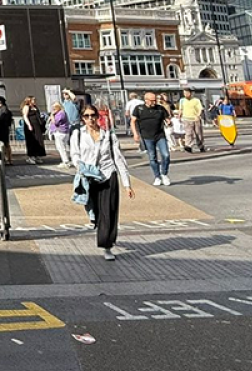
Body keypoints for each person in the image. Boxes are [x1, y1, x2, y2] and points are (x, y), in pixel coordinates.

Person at [70, 104, 135, 261]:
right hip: (89, 177)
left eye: (93, 115)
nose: (90, 119)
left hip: (107, 175)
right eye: (86, 116)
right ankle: (98, 224)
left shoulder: (108, 136)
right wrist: (82, 168)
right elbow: (75, 155)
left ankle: (106, 245)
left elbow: (119, 159)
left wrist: (127, 184)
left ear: (98, 117)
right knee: (96, 211)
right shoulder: (78, 135)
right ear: (82, 118)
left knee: (109, 212)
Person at [131, 92, 172, 186]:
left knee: (166, 155)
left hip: (160, 135)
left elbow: (167, 118)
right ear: (146, 100)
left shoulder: (160, 108)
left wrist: (168, 122)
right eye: (152, 100)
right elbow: (133, 121)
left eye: (155, 100)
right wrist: (135, 134)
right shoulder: (139, 109)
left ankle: (164, 173)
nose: (154, 102)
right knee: (152, 157)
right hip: (147, 136)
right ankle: (157, 176)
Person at [20, 96, 47, 164]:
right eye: (33, 100)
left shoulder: (35, 107)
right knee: (31, 141)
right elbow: (25, 116)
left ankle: (37, 155)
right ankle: (31, 157)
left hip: (37, 126)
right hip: (31, 125)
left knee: (38, 140)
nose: (35, 101)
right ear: (29, 101)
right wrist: (29, 125)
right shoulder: (26, 107)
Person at [179, 88, 205, 153]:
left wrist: (198, 116)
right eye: (184, 93)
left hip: (195, 119)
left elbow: (200, 109)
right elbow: (181, 109)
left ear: (190, 93)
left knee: (198, 133)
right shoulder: (182, 100)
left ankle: (201, 146)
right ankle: (188, 146)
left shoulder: (196, 100)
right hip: (186, 118)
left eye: (187, 93)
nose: (185, 94)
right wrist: (179, 116)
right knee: (188, 133)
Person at [48, 101, 72, 168]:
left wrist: (52, 115)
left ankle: (66, 162)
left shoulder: (61, 113)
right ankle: (66, 161)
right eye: (53, 108)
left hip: (60, 132)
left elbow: (55, 123)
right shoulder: (61, 113)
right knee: (62, 147)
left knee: (61, 148)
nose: (53, 109)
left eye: (55, 108)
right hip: (62, 132)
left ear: (58, 107)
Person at [0, 97, 14, 165]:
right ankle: (3, 158)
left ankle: (9, 159)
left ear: (0, 101)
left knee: (6, 144)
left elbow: (2, 118)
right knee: (0, 144)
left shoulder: (4, 108)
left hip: (3, 128)